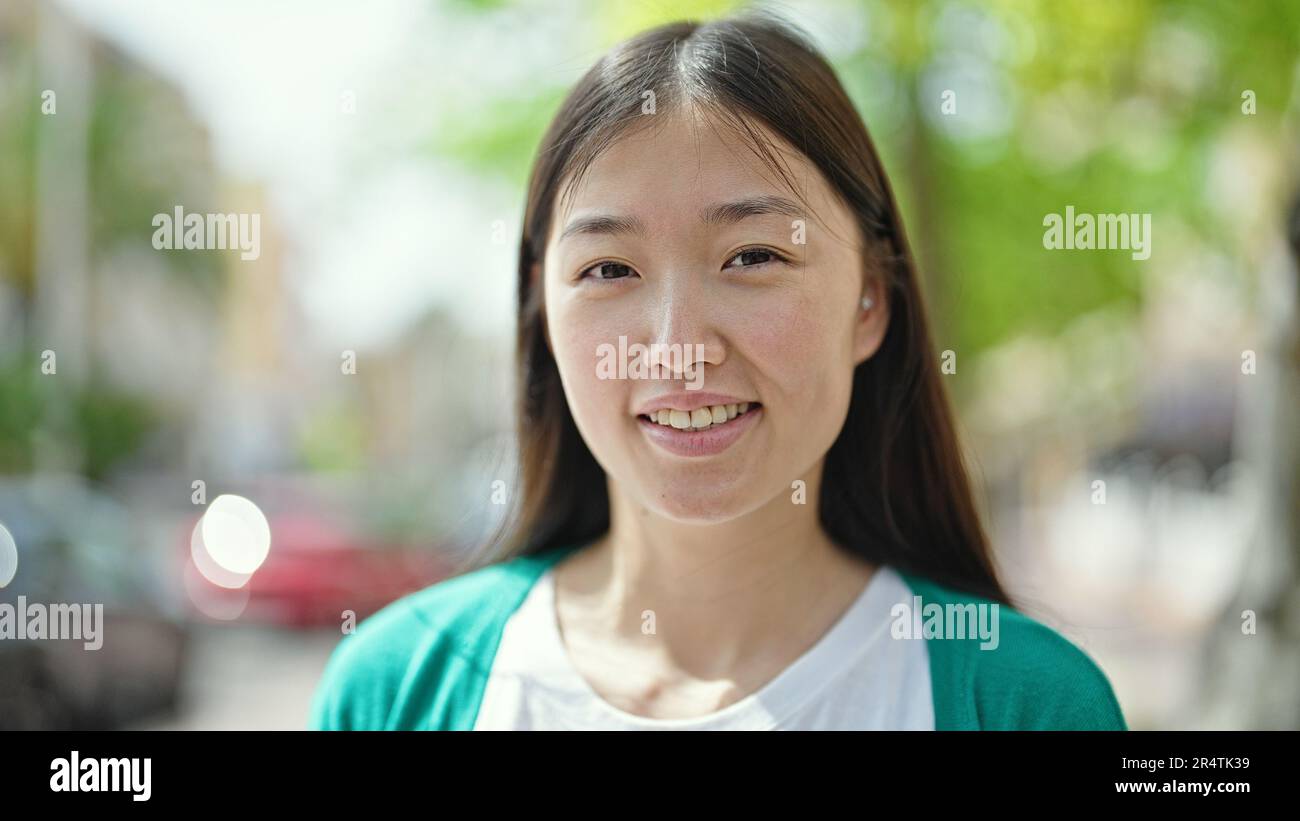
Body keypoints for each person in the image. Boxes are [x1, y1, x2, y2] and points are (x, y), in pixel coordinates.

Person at [310, 12, 1127, 731]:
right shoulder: (396, 690)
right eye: (608, 269)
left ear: (870, 301)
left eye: (753, 256)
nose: (675, 346)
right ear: (542, 315)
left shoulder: (1023, 702)